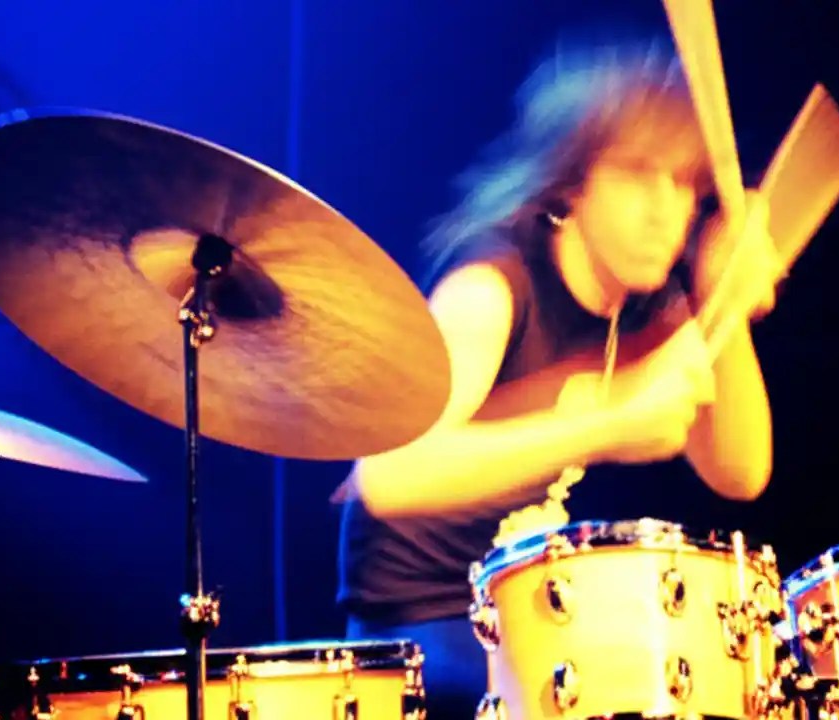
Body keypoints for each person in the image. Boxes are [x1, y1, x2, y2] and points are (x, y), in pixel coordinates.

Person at [335, 35, 785, 720]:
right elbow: (390, 475)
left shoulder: (647, 299)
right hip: (421, 635)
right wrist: (610, 424)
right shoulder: (494, 286)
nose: (668, 209)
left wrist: (724, 304)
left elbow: (740, 473)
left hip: (537, 617)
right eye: (639, 174)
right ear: (573, 180)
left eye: (685, 184)